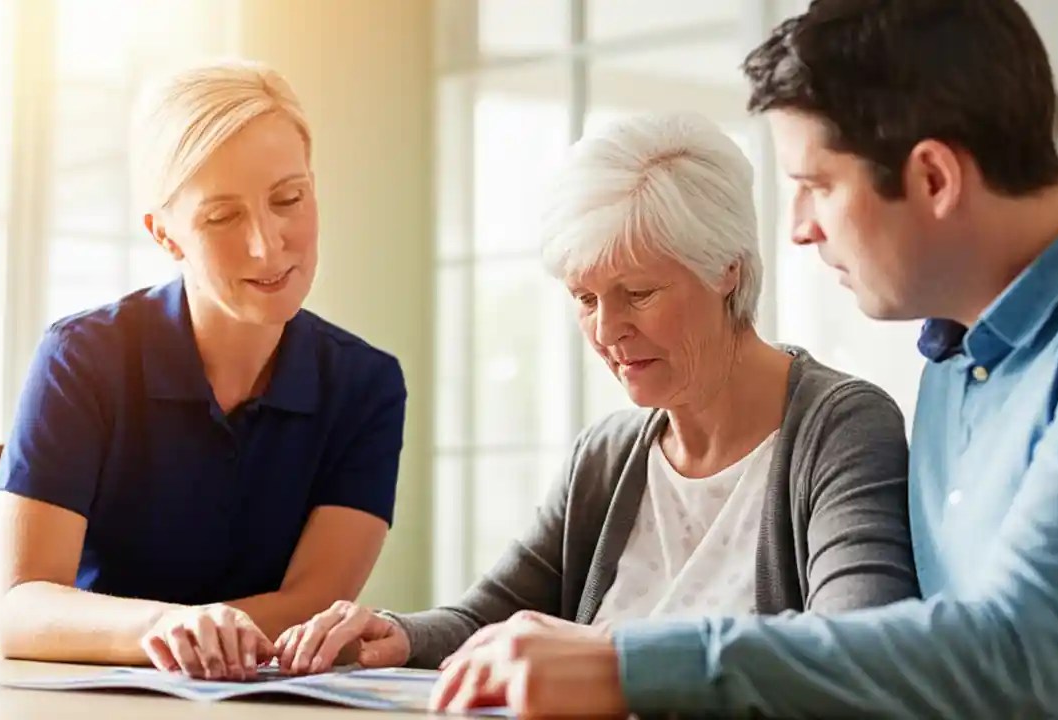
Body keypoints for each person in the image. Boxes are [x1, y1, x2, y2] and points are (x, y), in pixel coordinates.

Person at [418, 1, 1058, 717]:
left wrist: (627, 662)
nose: (800, 229)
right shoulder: (954, 358)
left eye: (818, 186)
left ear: (933, 178)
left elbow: (1026, 652)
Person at [270, 112, 918, 683]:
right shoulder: (607, 455)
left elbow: (858, 645)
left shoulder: (841, 428)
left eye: (637, 294)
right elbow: (490, 614)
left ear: (728, 269)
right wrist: (398, 633)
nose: (608, 332)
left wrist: (609, 656)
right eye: (585, 298)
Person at [0, 59, 407, 682]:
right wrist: (164, 629)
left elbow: (313, 607)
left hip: (244, 700)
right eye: (222, 217)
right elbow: (19, 610)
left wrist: (205, 638)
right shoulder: (82, 356)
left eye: (288, 198)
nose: (266, 245)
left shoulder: (366, 384)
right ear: (165, 235)